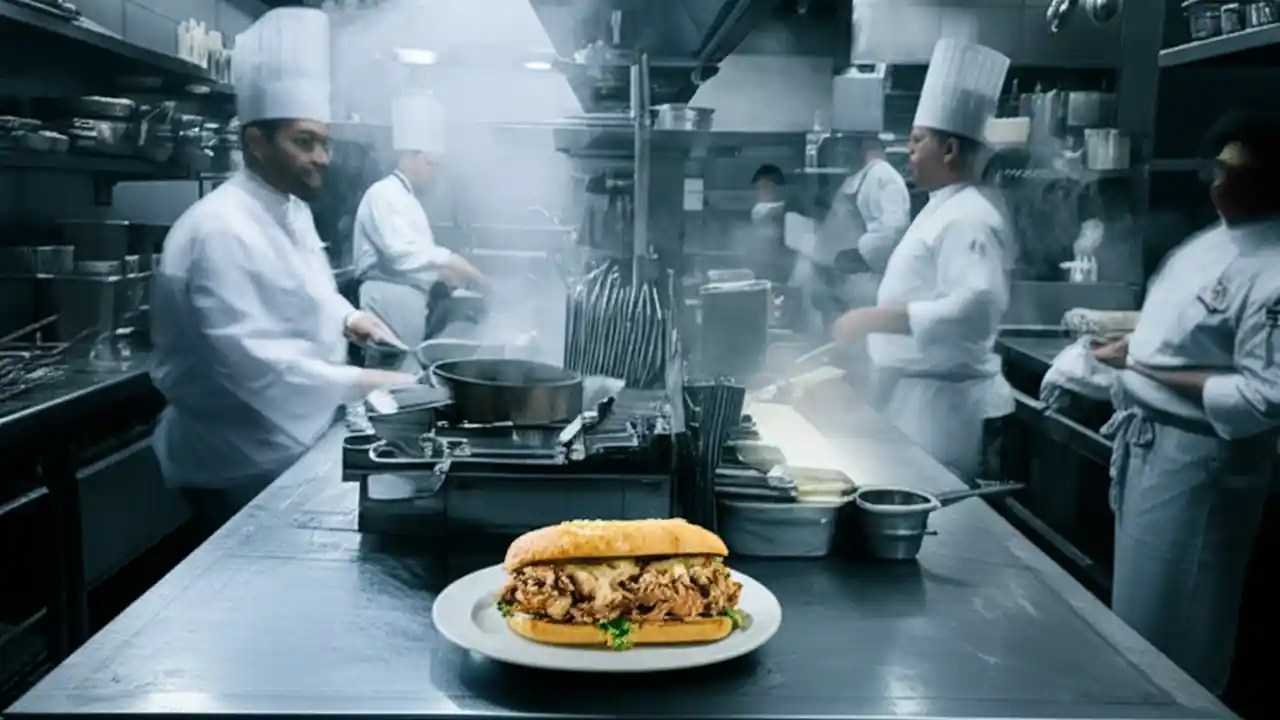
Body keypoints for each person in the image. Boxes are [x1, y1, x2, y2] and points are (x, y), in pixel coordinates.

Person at [149, 8, 416, 531]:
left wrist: (347, 319)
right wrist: (366, 381)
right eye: (304, 142)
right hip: (231, 459)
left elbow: (306, 289)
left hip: (287, 444)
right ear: (256, 142)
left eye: (325, 142)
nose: (322, 157)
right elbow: (254, 362)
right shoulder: (218, 230)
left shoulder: (290, 208)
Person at [1092, 111, 1280, 696]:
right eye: (1216, 166)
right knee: (1135, 627)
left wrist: (1147, 367)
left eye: (1234, 168)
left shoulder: (1274, 267)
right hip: (1149, 449)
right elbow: (1171, 335)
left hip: (1201, 465)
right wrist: (1134, 352)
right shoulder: (1206, 244)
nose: (1217, 180)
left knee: (1179, 634)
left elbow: (1262, 397)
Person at [828, 39, 1015, 482]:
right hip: (915, 398)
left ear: (948, 149)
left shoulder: (968, 217)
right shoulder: (940, 207)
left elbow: (975, 305)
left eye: (916, 141)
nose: (908, 152)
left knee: (938, 508)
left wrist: (874, 318)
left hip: (941, 409)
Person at [352, 90, 484, 369]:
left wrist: (444, 275)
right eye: (429, 163)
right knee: (391, 379)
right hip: (388, 299)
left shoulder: (406, 198)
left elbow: (417, 257)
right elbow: (401, 255)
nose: (432, 172)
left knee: (404, 378)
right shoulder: (384, 193)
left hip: (407, 301)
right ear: (409, 156)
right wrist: (456, 264)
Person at [823, 135, 911, 310]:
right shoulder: (863, 175)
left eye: (845, 144)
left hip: (867, 285)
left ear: (866, 144)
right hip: (848, 283)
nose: (840, 150)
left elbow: (894, 229)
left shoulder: (883, 175)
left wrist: (859, 255)